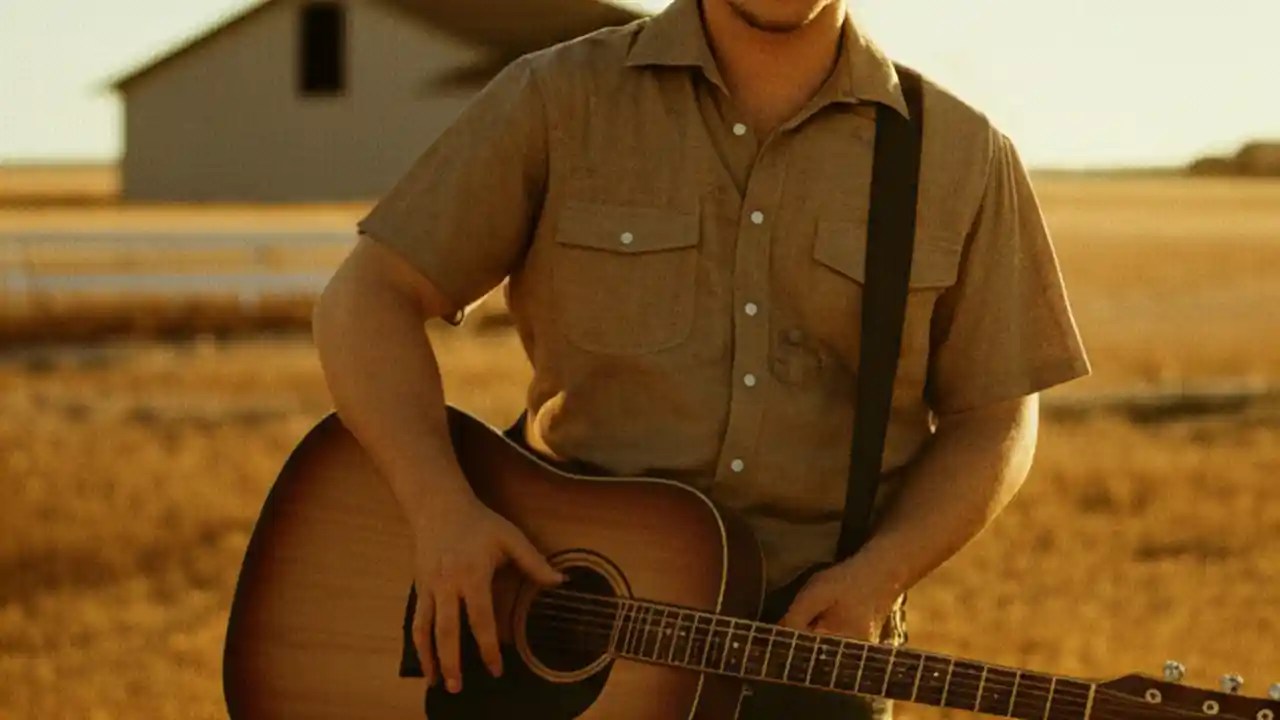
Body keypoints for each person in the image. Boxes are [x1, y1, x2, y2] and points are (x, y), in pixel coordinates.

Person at [311, 0, 1090, 717]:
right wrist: (441, 512)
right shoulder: (559, 99)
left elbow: (994, 416)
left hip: (810, 662)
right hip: (546, 637)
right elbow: (368, 296)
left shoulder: (961, 156)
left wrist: (879, 576)